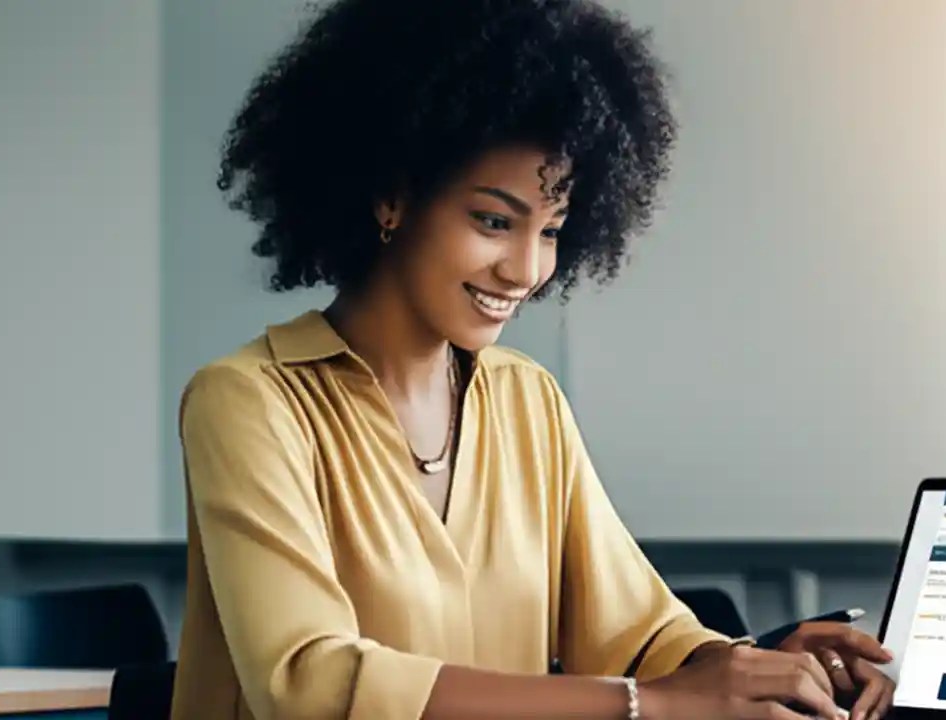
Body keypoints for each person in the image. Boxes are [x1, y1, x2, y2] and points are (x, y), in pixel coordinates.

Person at [170, 1, 896, 718]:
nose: (525, 269)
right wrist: (657, 702)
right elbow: (309, 684)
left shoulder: (526, 400)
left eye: (551, 231)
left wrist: (750, 664)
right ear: (391, 197)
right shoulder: (248, 402)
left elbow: (636, 634)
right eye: (494, 221)